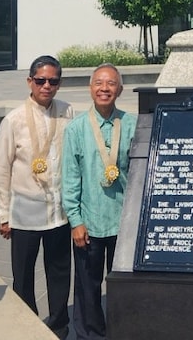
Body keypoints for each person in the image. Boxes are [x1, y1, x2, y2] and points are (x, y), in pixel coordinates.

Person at [0, 55, 76, 338]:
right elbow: (1, 170)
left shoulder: (67, 112)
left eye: (53, 81)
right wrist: (4, 215)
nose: (46, 86)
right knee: (24, 275)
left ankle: (60, 324)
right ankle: (27, 326)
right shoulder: (13, 120)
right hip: (24, 212)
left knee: (60, 271)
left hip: (59, 210)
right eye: (40, 80)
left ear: (59, 84)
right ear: (30, 81)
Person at [62, 64, 137, 339]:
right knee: (87, 286)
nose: (104, 89)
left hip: (123, 222)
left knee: (123, 285)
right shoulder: (76, 129)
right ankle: (90, 333)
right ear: (90, 87)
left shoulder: (133, 124)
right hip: (90, 222)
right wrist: (75, 220)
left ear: (120, 89)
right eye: (99, 83)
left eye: (111, 84)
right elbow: (70, 178)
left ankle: (123, 330)